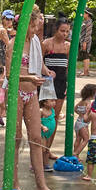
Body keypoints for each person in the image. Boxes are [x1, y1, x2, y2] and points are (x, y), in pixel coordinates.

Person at [12, 9, 61, 190]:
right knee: (15, 139)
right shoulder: (13, 44)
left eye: (36, 26)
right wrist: (28, 77)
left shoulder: (34, 42)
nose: (35, 29)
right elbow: (10, 75)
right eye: (33, 26)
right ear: (24, 24)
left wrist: (47, 71)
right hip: (15, 93)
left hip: (31, 92)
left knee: (36, 138)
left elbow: (38, 63)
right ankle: (14, 183)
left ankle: (41, 186)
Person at [42, 17, 71, 153]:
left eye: (67, 31)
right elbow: (39, 63)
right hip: (47, 84)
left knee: (54, 117)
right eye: (62, 31)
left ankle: (48, 150)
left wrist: (69, 85)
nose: (64, 34)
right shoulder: (46, 44)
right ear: (56, 30)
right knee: (44, 115)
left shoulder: (68, 46)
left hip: (60, 83)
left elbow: (70, 67)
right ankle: (41, 148)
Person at [74, 81, 96, 158]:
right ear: (92, 94)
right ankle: (76, 154)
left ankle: (76, 154)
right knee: (86, 139)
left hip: (78, 121)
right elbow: (87, 115)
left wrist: (80, 114)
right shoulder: (89, 103)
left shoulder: (82, 101)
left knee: (78, 139)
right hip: (83, 123)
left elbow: (75, 109)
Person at [79, 8, 94, 77]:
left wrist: (85, 42)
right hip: (83, 40)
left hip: (86, 40)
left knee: (85, 55)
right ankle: (85, 71)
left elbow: (88, 33)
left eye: (84, 13)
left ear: (87, 14)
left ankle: (86, 72)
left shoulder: (89, 21)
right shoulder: (85, 21)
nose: (83, 15)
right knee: (84, 55)